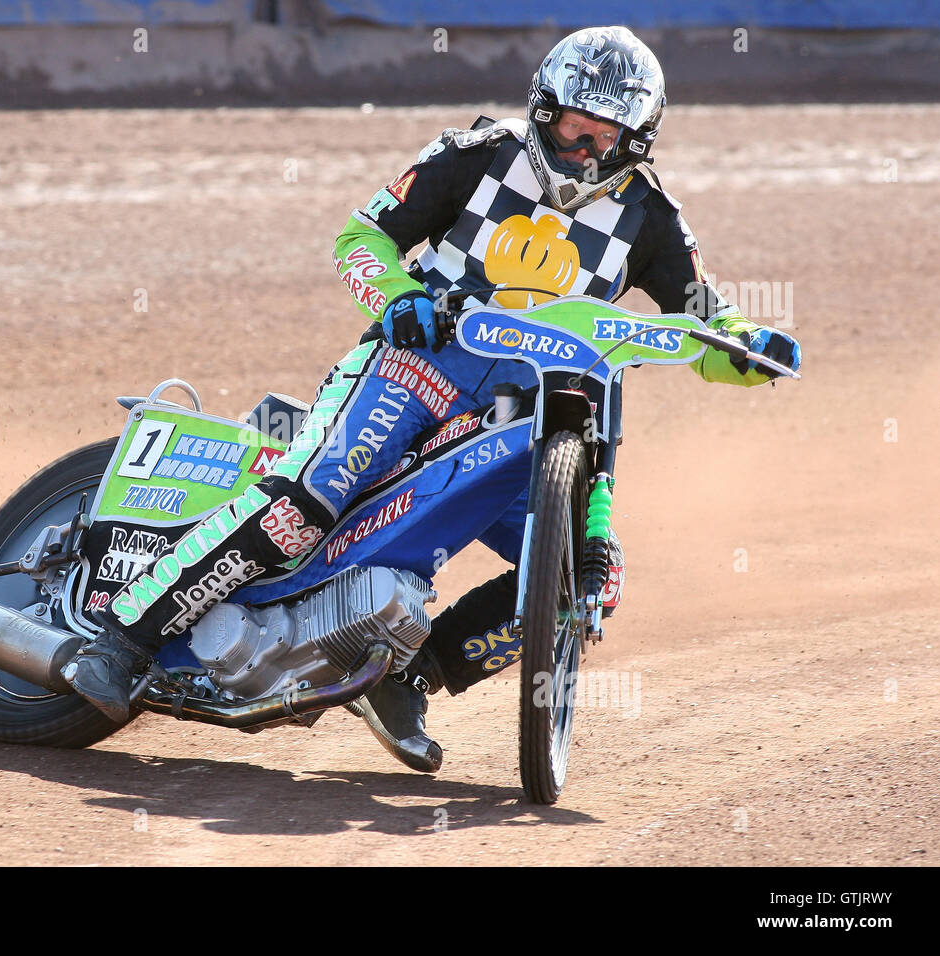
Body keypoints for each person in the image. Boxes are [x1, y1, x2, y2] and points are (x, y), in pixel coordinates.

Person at [65, 25, 801, 773]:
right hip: (415, 370)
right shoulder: (476, 155)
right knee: (309, 500)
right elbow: (359, 239)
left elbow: (711, 324)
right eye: (575, 128)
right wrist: (397, 298)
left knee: (589, 583)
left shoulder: (653, 218)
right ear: (544, 112)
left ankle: (410, 681)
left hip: (528, 419)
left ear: (636, 142)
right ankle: (126, 639)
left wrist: (755, 351)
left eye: (605, 137)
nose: (584, 150)